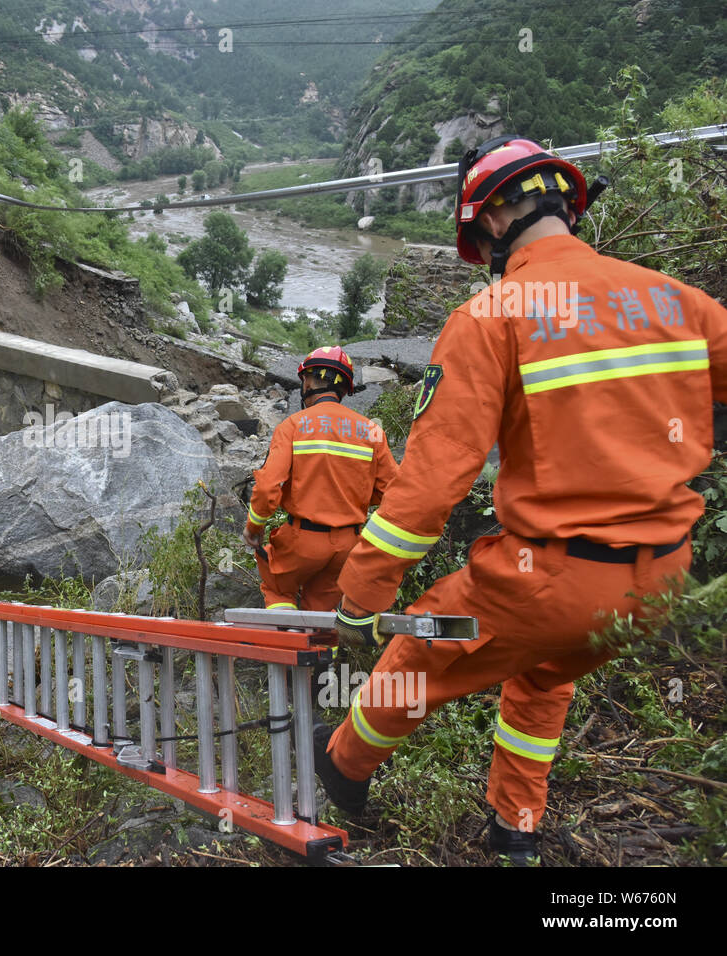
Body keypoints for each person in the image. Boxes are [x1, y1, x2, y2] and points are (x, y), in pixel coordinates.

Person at [314, 134, 727, 864]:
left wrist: (362, 593)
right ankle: (515, 827)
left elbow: (435, 480)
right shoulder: (677, 300)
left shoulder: (493, 315)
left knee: (417, 652)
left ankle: (342, 768)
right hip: (662, 581)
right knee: (545, 673)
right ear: (566, 208)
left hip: (552, 580)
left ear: (494, 222)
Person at [243, 346, 399, 612]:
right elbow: (392, 491)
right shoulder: (373, 431)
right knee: (323, 615)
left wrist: (254, 527)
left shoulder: (292, 426)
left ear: (310, 380)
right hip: (348, 545)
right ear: (344, 388)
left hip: (303, 540)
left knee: (278, 587)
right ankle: (323, 653)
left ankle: (286, 644)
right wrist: (356, 499)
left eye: (305, 379)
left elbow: (269, 486)